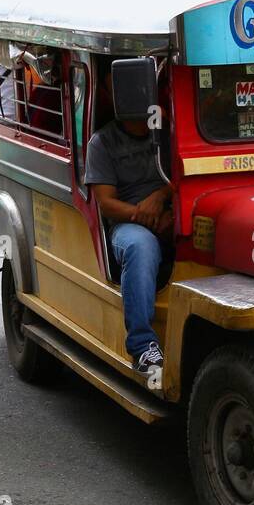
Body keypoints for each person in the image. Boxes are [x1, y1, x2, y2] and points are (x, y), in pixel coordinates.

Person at [84, 63, 171, 376]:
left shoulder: (169, 132)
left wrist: (162, 202)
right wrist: (145, 215)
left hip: (173, 211)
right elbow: (106, 204)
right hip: (129, 223)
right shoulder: (102, 143)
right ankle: (142, 345)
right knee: (140, 246)